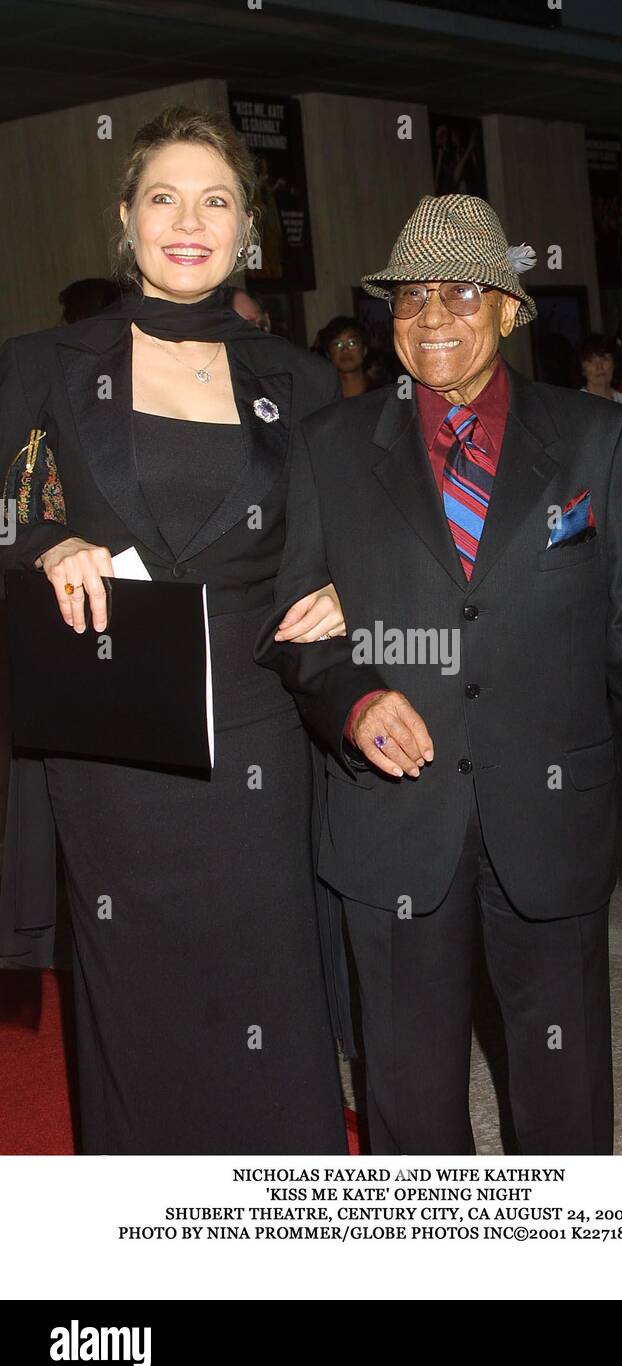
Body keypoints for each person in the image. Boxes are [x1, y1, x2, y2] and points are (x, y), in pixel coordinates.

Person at [256, 194, 622, 1156]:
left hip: (550, 817)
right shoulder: (331, 448)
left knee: (563, 1100)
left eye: (462, 294)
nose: (432, 318)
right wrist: (352, 701)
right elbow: (300, 631)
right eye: (412, 298)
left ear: (511, 312)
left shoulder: (597, 441)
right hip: (393, 827)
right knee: (409, 1105)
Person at [0, 105, 349, 1156]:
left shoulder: (297, 379)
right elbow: (8, 507)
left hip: (256, 734)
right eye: (164, 197)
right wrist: (42, 544)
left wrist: (352, 591)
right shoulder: (44, 363)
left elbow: (342, 535)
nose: (187, 220)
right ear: (125, 218)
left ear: (247, 229)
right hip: (113, 739)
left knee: (269, 990)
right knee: (131, 1007)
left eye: (216, 200)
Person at [315, 316, 373, 397]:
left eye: (352, 343)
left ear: (364, 350)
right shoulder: (321, 396)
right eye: (338, 344)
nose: (345, 350)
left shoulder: (382, 391)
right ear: (328, 353)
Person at [576, 333, 622, 406]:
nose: (599, 366)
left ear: (614, 363)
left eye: (605, 358)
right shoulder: (576, 403)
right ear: (582, 369)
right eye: (591, 360)